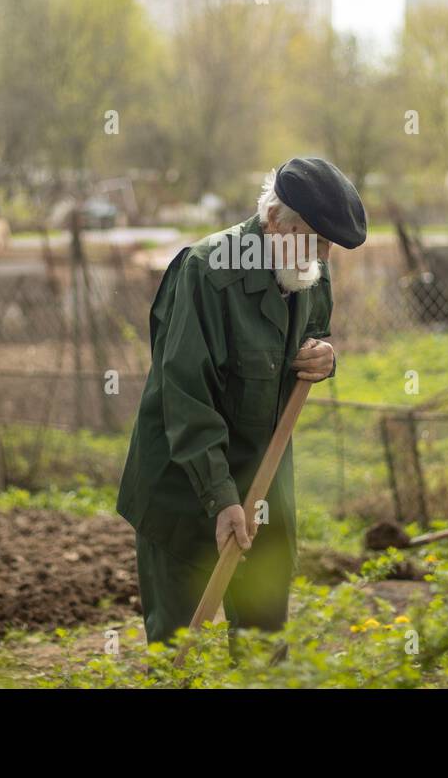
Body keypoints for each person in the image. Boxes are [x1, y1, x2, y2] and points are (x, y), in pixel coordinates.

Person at [117, 157, 367, 645]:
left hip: (265, 478)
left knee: (263, 643)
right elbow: (184, 394)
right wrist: (221, 496)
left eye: (329, 244)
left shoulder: (308, 266)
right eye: (315, 239)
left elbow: (311, 340)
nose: (325, 256)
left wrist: (324, 357)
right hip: (184, 486)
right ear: (274, 220)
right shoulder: (207, 272)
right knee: (177, 651)